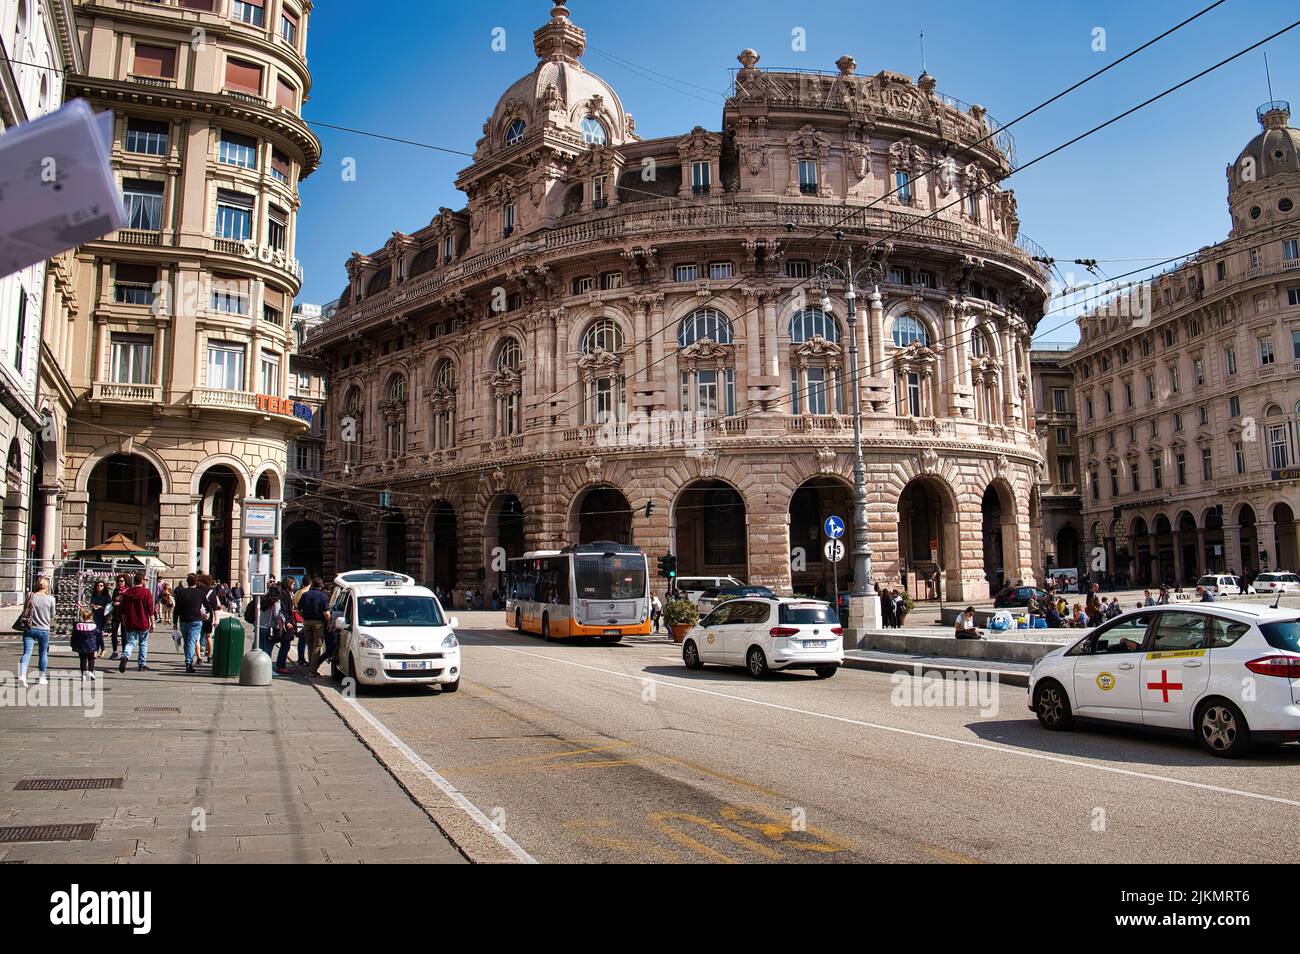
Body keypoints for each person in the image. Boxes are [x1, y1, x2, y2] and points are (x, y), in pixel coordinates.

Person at [17, 577, 56, 687]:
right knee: (43, 653)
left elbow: (25, 609)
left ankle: (22, 676)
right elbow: (52, 615)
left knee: (27, 652)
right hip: (44, 629)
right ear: (47, 586)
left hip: (29, 628)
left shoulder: (30, 595)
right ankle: (41, 677)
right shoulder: (51, 599)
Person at [117, 572, 154, 673]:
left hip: (131, 622)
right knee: (143, 643)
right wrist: (152, 623)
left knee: (130, 643)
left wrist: (124, 621)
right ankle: (142, 664)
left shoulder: (127, 592)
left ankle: (125, 656)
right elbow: (150, 609)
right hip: (143, 622)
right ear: (142, 581)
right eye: (145, 580)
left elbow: (123, 609)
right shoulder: (146, 592)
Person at [173, 573, 208, 674]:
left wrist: (175, 622)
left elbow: (176, 609)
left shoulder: (181, 593)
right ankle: (188, 662)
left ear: (187, 582)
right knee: (191, 641)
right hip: (196, 621)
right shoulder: (200, 593)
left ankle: (188, 661)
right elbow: (208, 605)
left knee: (187, 642)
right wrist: (206, 614)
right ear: (195, 582)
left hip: (184, 621)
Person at [300, 578, 330, 678]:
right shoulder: (323, 596)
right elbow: (327, 613)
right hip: (318, 623)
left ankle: (311, 668)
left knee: (310, 645)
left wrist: (303, 617)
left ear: (312, 584)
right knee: (317, 647)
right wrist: (329, 622)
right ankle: (313, 671)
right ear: (321, 586)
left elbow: (298, 609)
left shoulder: (305, 595)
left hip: (307, 622)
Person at [71, 607, 104, 680]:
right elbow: (99, 637)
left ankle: (83, 674)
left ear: (82, 616)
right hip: (92, 646)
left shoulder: (78, 625)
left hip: (81, 646)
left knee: (83, 660)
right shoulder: (94, 626)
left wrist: (72, 644)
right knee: (91, 659)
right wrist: (102, 647)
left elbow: (74, 636)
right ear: (91, 616)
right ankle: (91, 672)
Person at [258, 591, 283, 666]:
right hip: (269, 628)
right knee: (268, 650)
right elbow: (276, 615)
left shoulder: (264, 599)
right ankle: (267, 669)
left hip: (260, 626)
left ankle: (259, 667)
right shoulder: (276, 601)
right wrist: (281, 627)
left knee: (260, 649)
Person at [109, 574, 128, 658]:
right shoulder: (116, 590)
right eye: (119, 581)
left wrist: (120, 603)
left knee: (124, 634)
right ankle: (115, 651)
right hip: (116, 613)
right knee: (114, 632)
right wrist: (114, 603)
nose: (120, 583)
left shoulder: (128, 590)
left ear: (125, 581)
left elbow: (129, 602)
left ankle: (124, 652)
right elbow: (112, 600)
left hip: (124, 614)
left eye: (122, 581)